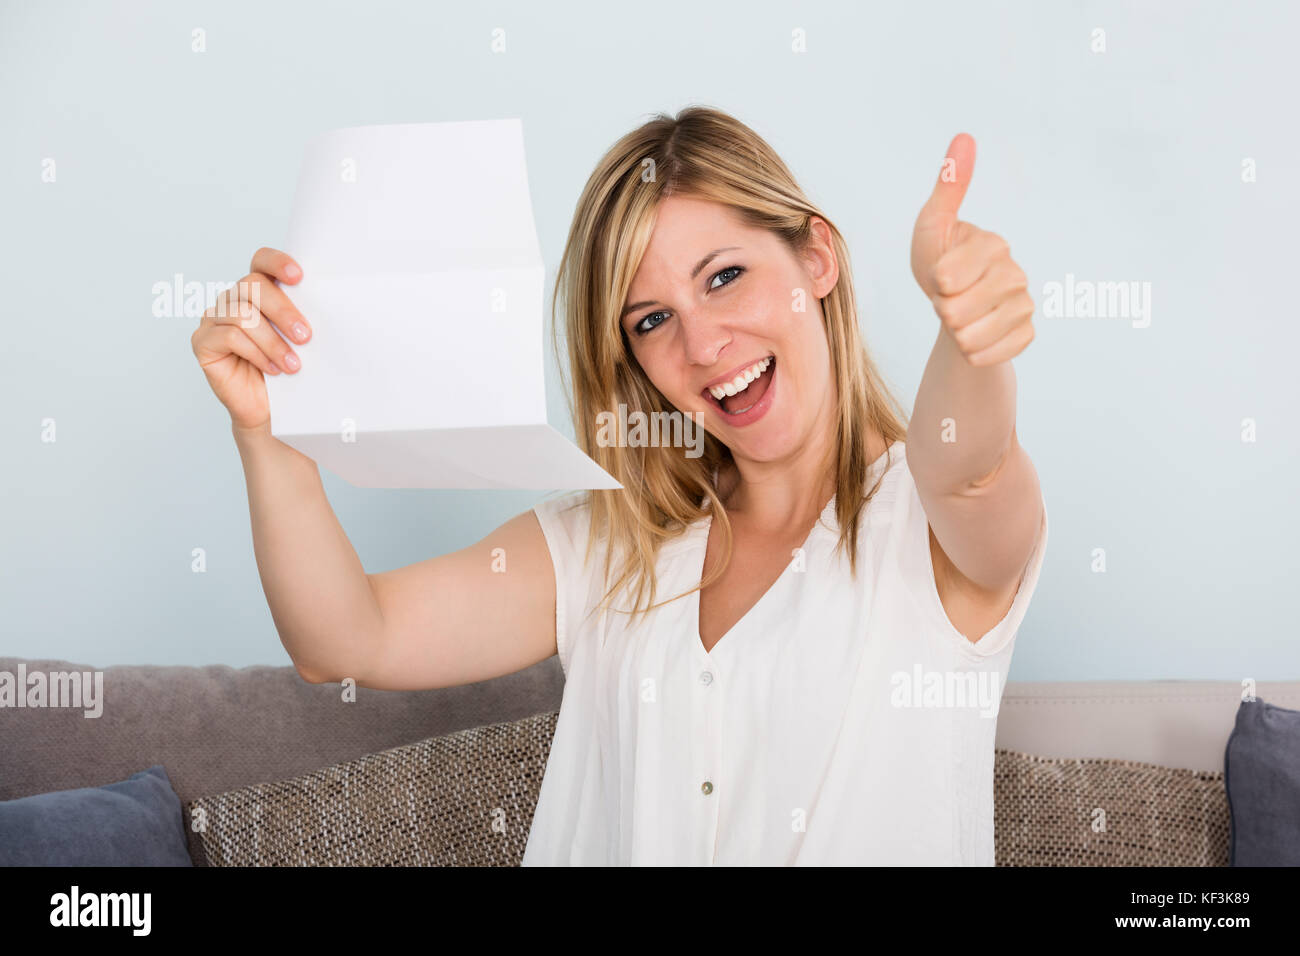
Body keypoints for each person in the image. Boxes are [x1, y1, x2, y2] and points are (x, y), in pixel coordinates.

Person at [191, 105, 1048, 865]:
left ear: (816, 257)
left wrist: (972, 337)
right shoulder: (613, 545)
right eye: (652, 320)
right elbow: (346, 640)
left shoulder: (927, 530)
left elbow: (967, 471)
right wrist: (268, 432)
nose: (705, 345)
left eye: (725, 276)